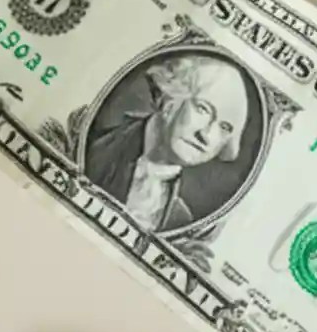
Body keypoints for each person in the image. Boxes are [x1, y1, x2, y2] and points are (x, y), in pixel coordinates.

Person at [85, 54, 251, 231]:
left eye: (224, 127)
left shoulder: (179, 220)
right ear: (170, 101)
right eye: (202, 109)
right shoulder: (96, 151)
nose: (206, 135)